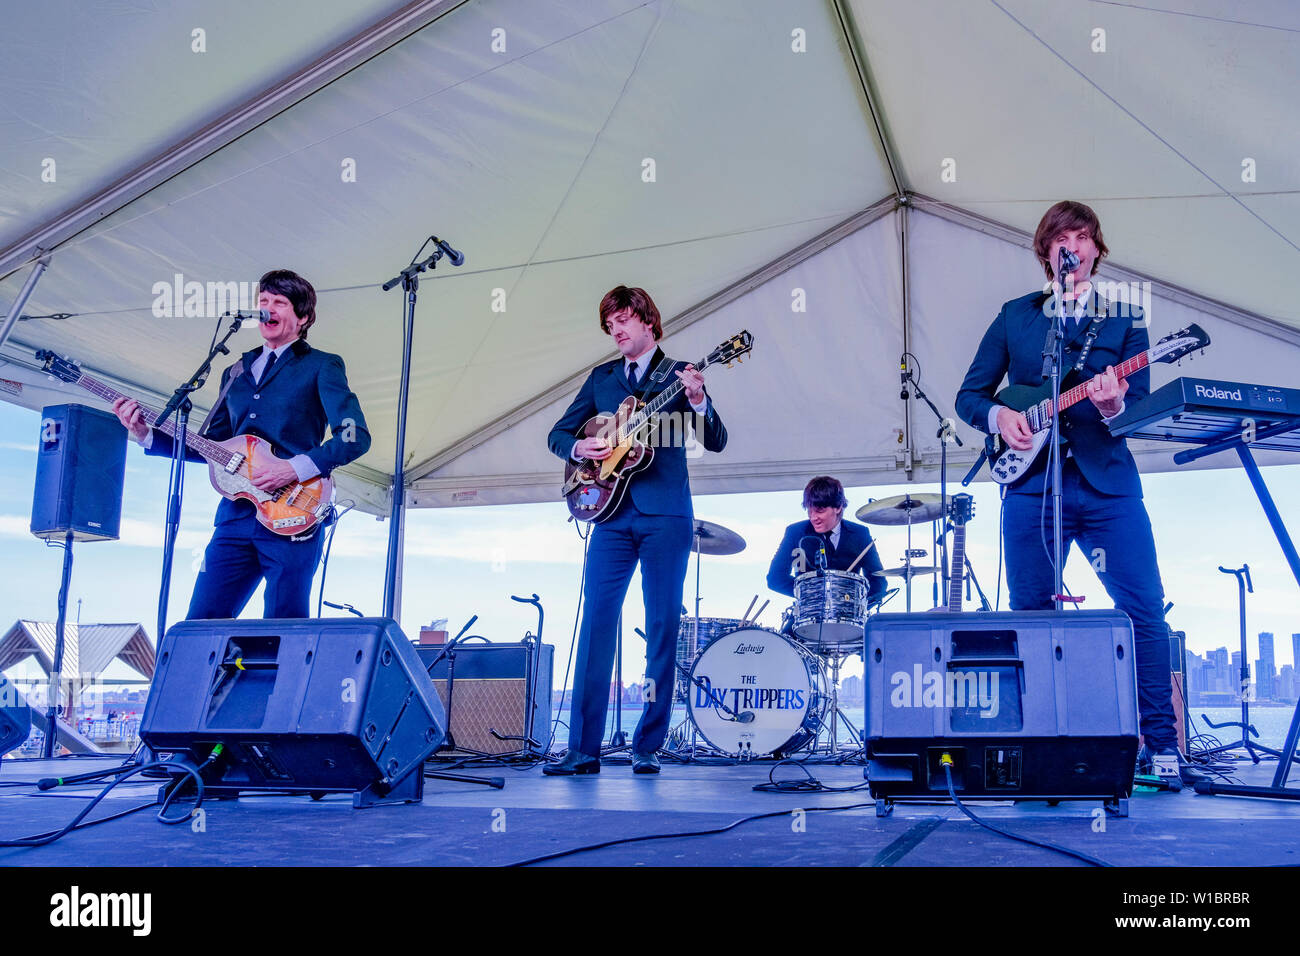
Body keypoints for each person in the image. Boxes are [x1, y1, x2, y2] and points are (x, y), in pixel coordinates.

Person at [955, 200, 1201, 785]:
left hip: (1107, 485)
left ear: (1097, 248)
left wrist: (1115, 403)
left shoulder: (1123, 318)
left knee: (1143, 613)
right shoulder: (1016, 315)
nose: (1075, 245)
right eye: (1064, 237)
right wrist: (999, 419)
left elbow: (1137, 406)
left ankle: (1162, 747)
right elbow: (970, 395)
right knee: (1031, 615)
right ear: (1047, 250)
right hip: (1033, 487)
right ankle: (1037, 748)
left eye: (1085, 236)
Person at [113, 269, 370, 620]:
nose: (268, 308)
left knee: (282, 629)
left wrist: (291, 468)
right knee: (200, 624)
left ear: (303, 317)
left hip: (292, 515)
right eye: (263, 301)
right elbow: (213, 446)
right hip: (234, 518)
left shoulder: (322, 366)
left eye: (279, 302)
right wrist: (145, 433)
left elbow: (355, 435)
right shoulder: (235, 370)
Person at [544, 285, 727, 775]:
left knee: (662, 626)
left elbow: (717, 440)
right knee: (596, 624)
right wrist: (581, 451)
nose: (616, 330)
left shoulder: (679, 373)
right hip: (608, 515)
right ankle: (582, 750)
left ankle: (648, 744)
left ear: (648, 321)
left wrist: (700, 400)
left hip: (666, 516)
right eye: (610, 324)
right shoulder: (601, 378)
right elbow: (558, 434)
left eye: (623, 319)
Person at [767, 475, 886, 604]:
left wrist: (856, 605)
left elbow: (878, 582)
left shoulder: (860, 533)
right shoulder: (795, 532)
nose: (813, 517)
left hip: (849, 615)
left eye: (819, 511)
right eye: (809, 511)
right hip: (807, 614)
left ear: (838, 507)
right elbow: (775, 578)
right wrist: (810, 595)